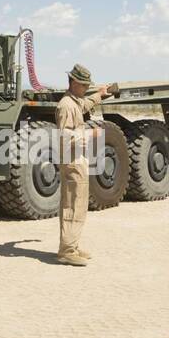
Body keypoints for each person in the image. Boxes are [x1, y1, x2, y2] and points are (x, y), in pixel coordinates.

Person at [54, 64, 117, 266]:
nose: (85, 89)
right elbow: (65, 137)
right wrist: (92, 134)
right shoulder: (65, 106)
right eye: (83, 85)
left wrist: (100, 95)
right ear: (73, 83)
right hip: (72, 160)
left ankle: (71, 245)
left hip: (76, 159)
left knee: (78, 204)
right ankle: (67, 250)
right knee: (73, 204)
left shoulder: (73, 102)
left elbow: (84, 104)